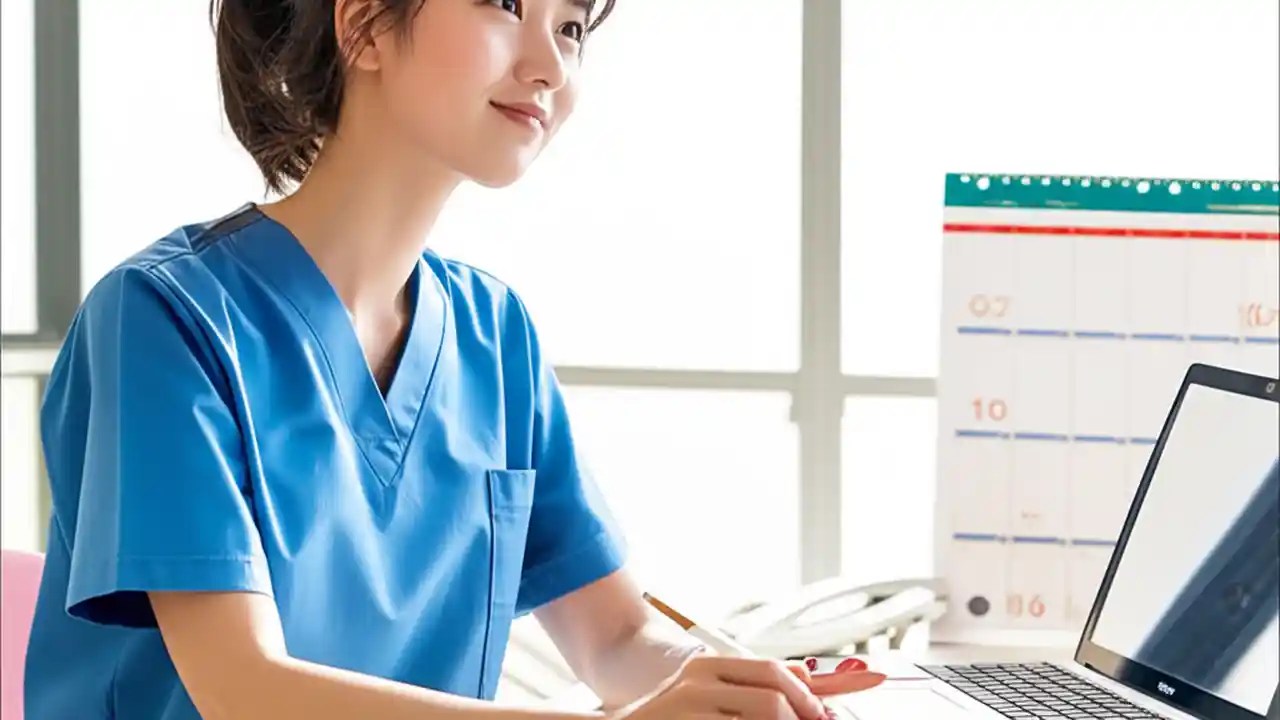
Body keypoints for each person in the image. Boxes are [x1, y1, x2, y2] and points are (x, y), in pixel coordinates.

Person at [24, 1, 883, 718]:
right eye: (506, 5)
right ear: (362, 26)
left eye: (574, 25)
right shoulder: (161, 319)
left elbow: (619, 640)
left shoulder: (495, 334)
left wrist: (731, 686)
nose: (550, 64)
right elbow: (246, 692)